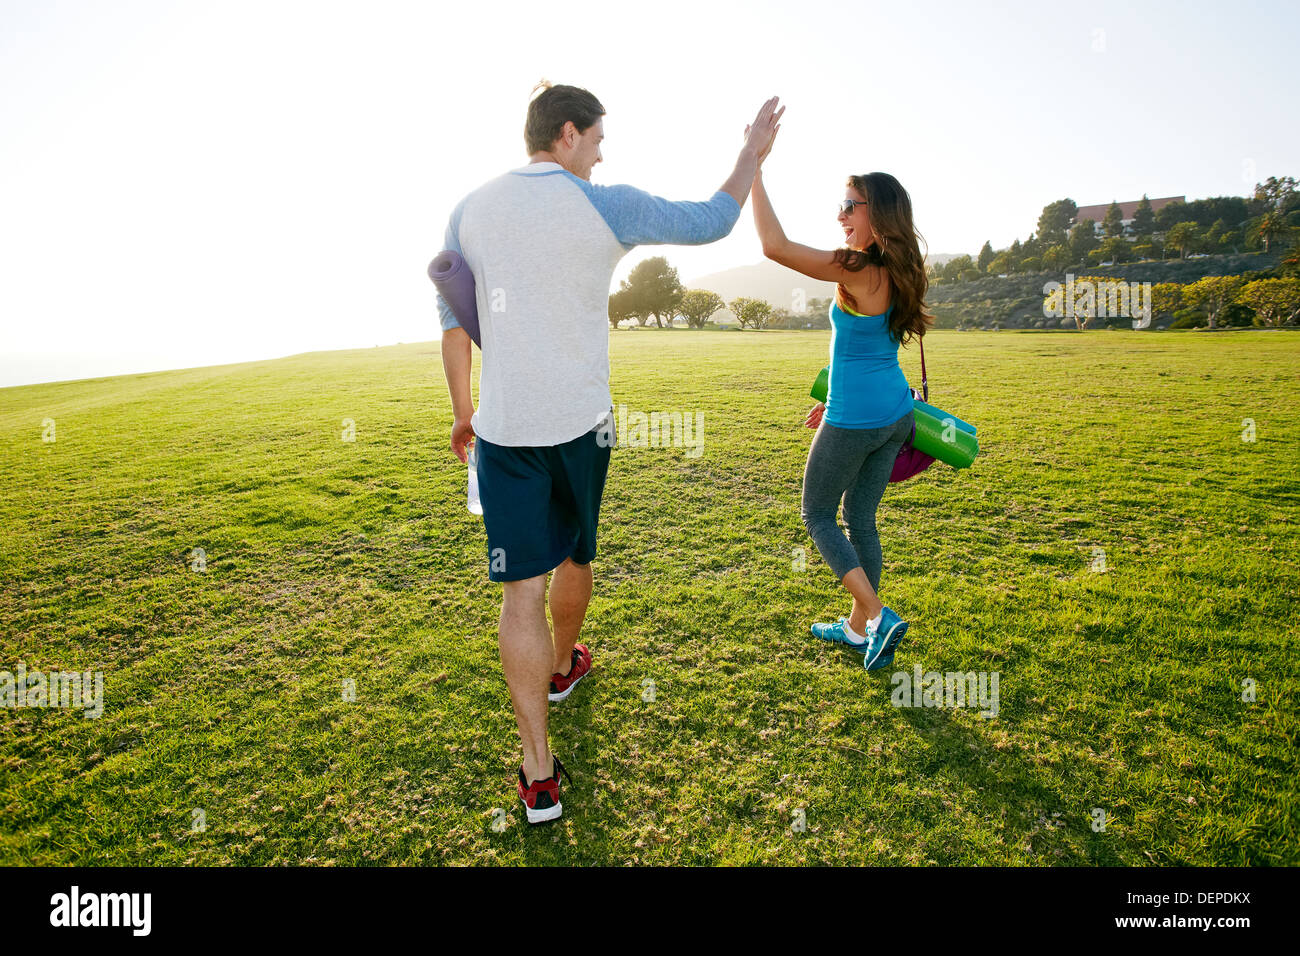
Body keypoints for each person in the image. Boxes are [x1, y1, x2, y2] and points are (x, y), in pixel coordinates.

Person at [436, 82, 783, 823]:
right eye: (596, 141)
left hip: (504, 431)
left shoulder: (468, 209)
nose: (600, 155)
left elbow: (454, 322)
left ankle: (538, 772)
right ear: (567, 134)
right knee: (576, 558)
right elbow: (714, 218)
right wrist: (750, 155)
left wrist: (466, 413)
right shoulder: (604, 202)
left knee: (518, 593)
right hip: (582, 426)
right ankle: (564, 666)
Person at [746, 137, 932, 672]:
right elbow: (866, 350)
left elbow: (774, 246)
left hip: (858, 420)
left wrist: (755, 172)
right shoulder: (901, 271)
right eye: (841, 205)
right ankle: (856, 628)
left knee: (817, 514)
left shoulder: (856, 266)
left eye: (851, 205)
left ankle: (876, 615)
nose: (841, 214)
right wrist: (829, 401)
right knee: (862, 518)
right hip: (894, 415)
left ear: (880, 215)